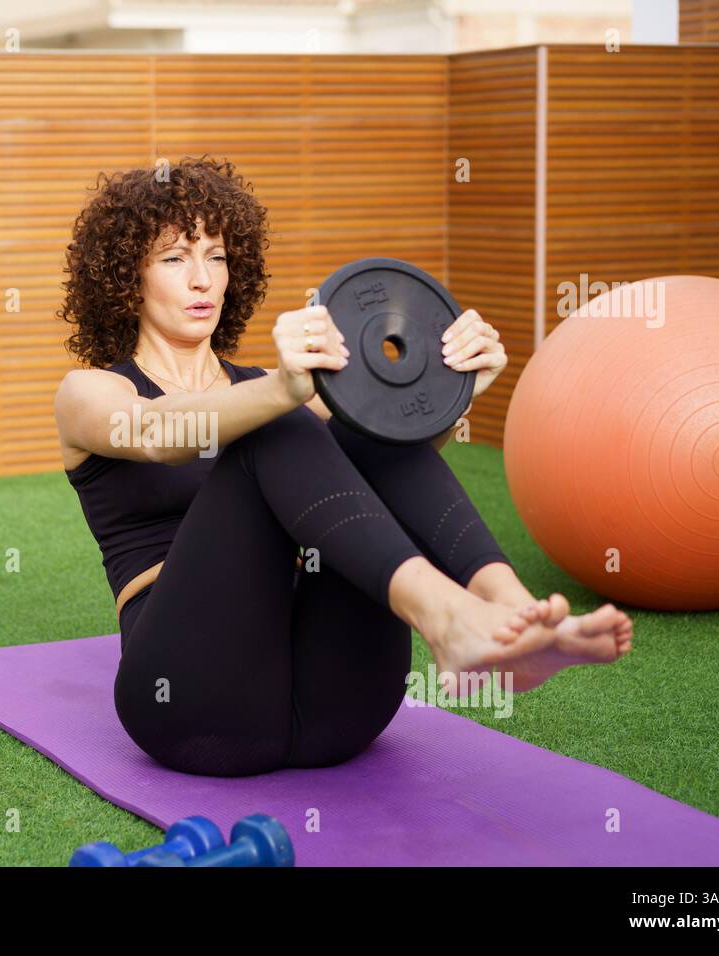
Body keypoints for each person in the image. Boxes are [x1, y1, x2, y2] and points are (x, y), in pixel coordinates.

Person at [54, 156, 632, 777]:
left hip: (341, 706)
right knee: (278, 426)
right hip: (196, 703)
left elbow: (381, 468)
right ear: (125, 280)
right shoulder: (90, 393)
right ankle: (445, 616)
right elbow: (160, 432)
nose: (203, 279)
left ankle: (513, 615)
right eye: (175, 259)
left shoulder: (275, 393)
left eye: (216, 256)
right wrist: (282, 392)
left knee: (363, 433)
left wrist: (450, 390)